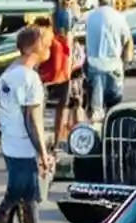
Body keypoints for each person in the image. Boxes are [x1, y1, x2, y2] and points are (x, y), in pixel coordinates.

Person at [0, 26, 57, 223]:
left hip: (10, 142)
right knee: (23, 195)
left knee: (22, 194)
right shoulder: (30, 78)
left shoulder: (9, 74)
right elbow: (33, 119)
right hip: (24, 145)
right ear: (35, 46)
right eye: (47, 44)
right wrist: (43, 152)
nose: (50, 48)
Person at [83, 0, 132, 120]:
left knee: (96, 110)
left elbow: (86, 41)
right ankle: (111, 133)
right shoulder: (119, 17)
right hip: (114, 66)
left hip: (94, 64)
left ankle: (96, 131)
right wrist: (127, 63)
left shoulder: (90, 17)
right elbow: (128, 41)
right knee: (114, 108)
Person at [44, 0, 79, 149]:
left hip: (60, 61)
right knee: (65, 104)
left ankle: (59, 139)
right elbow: (67, 36)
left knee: (62, 104)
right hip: (64, 63)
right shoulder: (65, 11)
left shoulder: (58, 9)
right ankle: (60, 139)